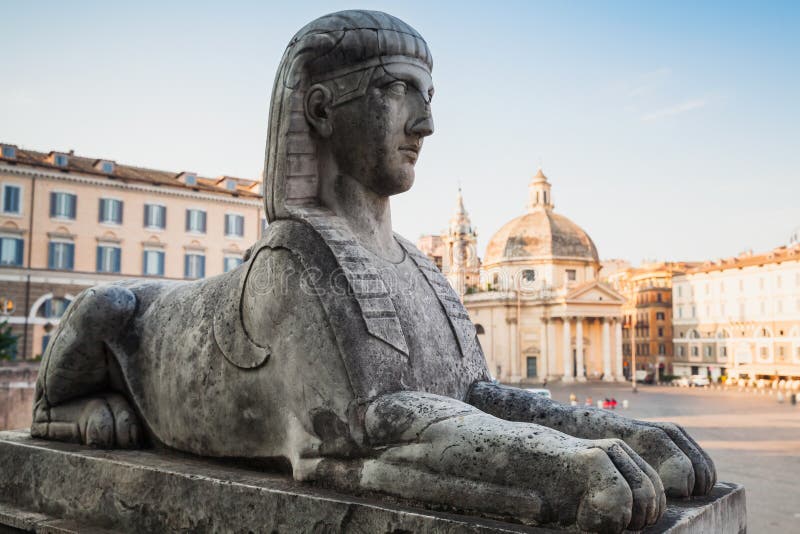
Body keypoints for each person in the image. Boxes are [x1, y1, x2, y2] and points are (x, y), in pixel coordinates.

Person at [31, 10, 715, 533]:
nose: (426, 123)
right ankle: (56, 408)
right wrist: (563, 465)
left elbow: (474, 392)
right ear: (322, 110)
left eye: (429, 94)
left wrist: (624, 433)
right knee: (108, 305)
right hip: (148, 363)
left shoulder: (417, 263)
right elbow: (353, 437)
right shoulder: (293, 263)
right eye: (398, 90)